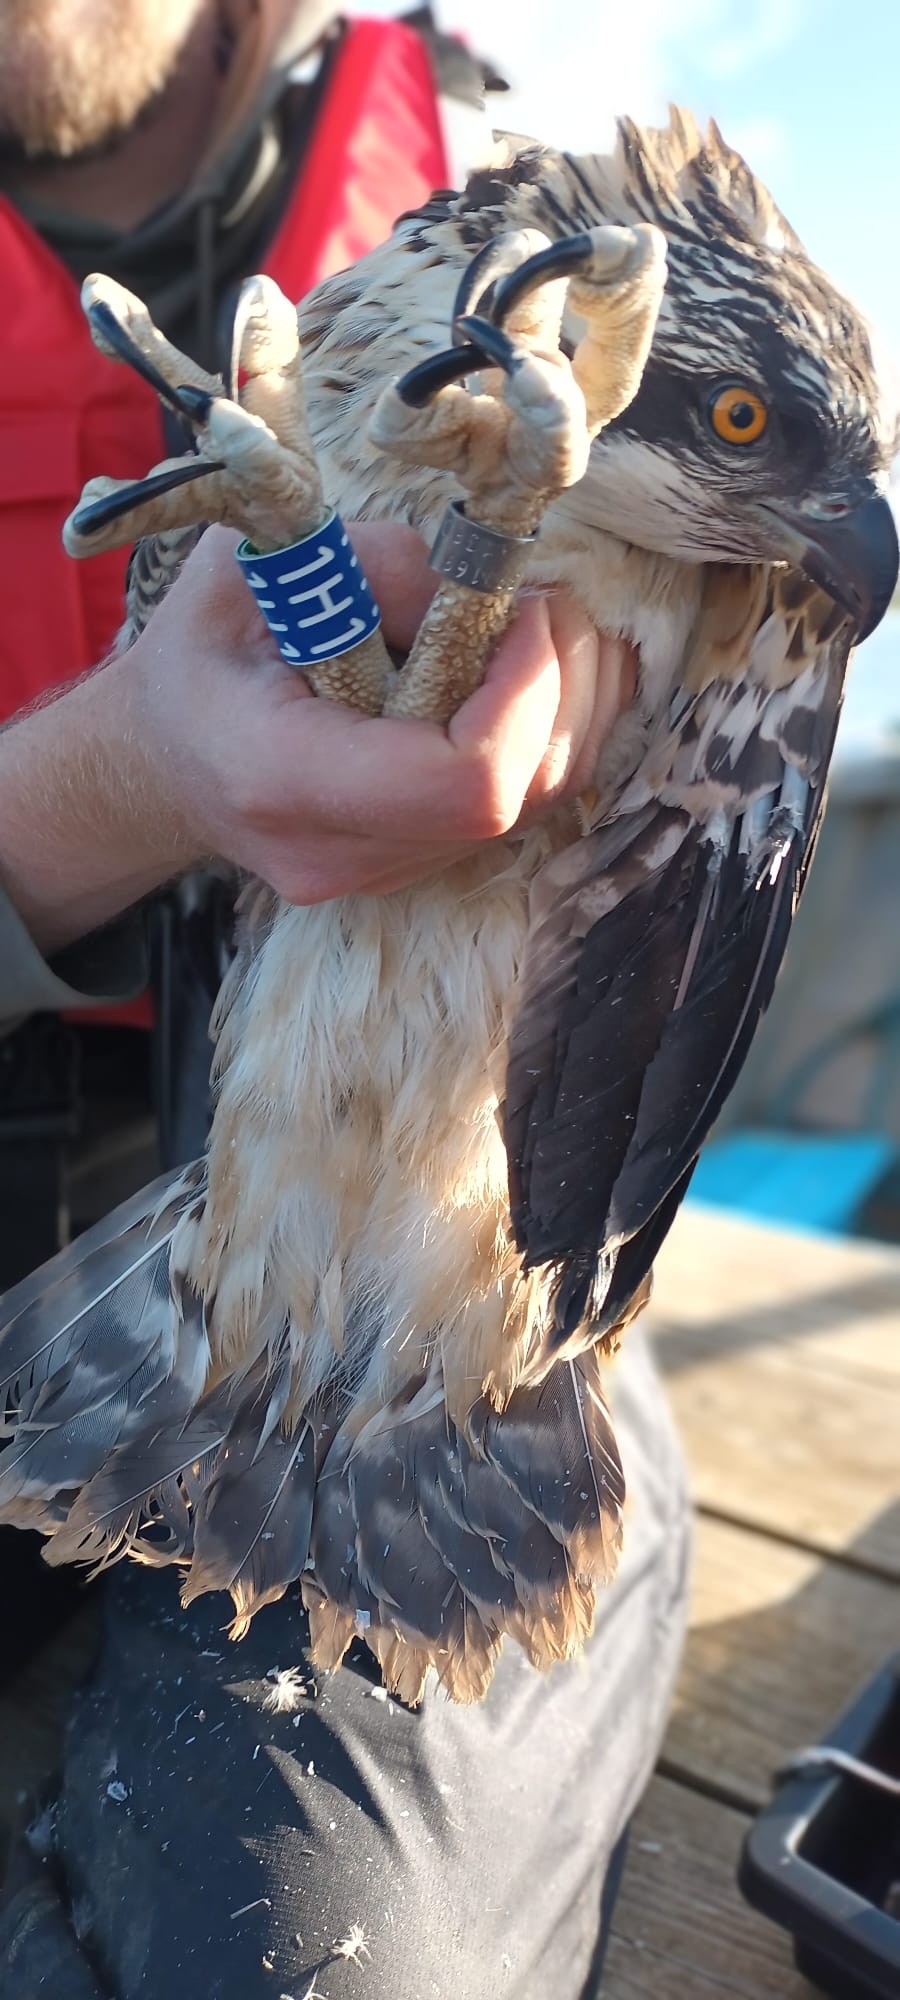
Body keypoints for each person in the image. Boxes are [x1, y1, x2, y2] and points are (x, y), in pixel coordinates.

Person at [0, 7, 692, 1995]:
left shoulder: (552, 180)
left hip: (428, 1171)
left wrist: (649, 670)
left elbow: (783, 583)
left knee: (327, 1962)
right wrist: (116, 779)